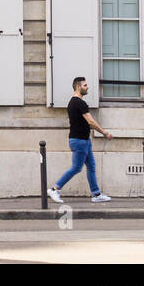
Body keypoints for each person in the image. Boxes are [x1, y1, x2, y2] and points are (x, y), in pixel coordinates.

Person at [48, 76, 113, 204]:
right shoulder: (79, 103)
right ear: (78, 87)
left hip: (84, 140)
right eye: (85, 85)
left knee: (91, 167)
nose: (87, 87)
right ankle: (55, 189)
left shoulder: (73, 102)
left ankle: (96, 194)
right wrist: (105, 132)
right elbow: (91, 121)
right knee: (76, 168)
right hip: (79, 141)